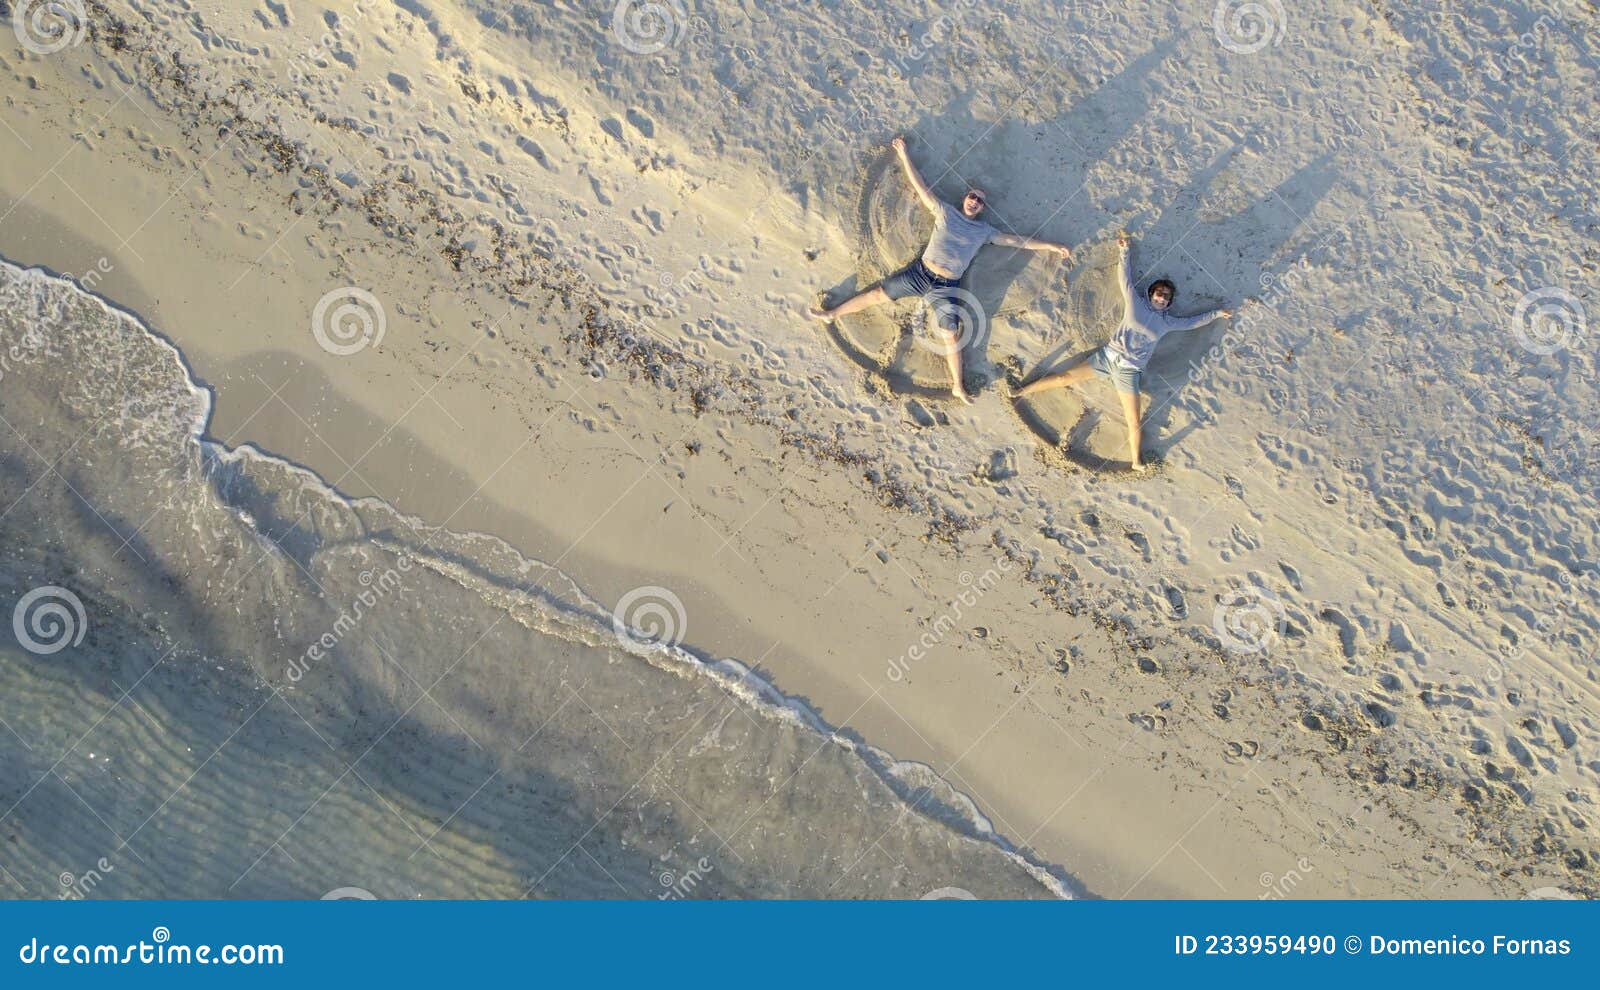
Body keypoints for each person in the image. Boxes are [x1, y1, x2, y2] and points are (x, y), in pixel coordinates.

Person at [809, 136, 1073, 404]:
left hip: (947, 287)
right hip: (919, 274)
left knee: (950, 335)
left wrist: (1051, 246)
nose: (975, 202)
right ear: (964, 198)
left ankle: (958, 386)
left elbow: (1016, 241)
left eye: (980, 202)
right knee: (877, 293)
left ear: (983, 209)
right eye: (973, 197)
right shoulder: (945, 212)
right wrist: (903, 156)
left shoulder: (984, 231)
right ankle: (832, 313)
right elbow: (921, 187)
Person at [1015, 231, 1232, 470]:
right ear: (1151, 293)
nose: (1162, 296)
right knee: (1063, 377)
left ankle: (1136, 460)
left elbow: (1192, 322)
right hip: (1107, 357)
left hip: (1129, 372)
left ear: (1169, 302)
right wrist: (1124, 249)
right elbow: (1124, 279)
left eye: (1166, 296)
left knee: (1133, 419)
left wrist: (1216, 314)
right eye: (1159, 292)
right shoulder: (1136, 303)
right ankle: (1022, 391)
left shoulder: (1168, 322)